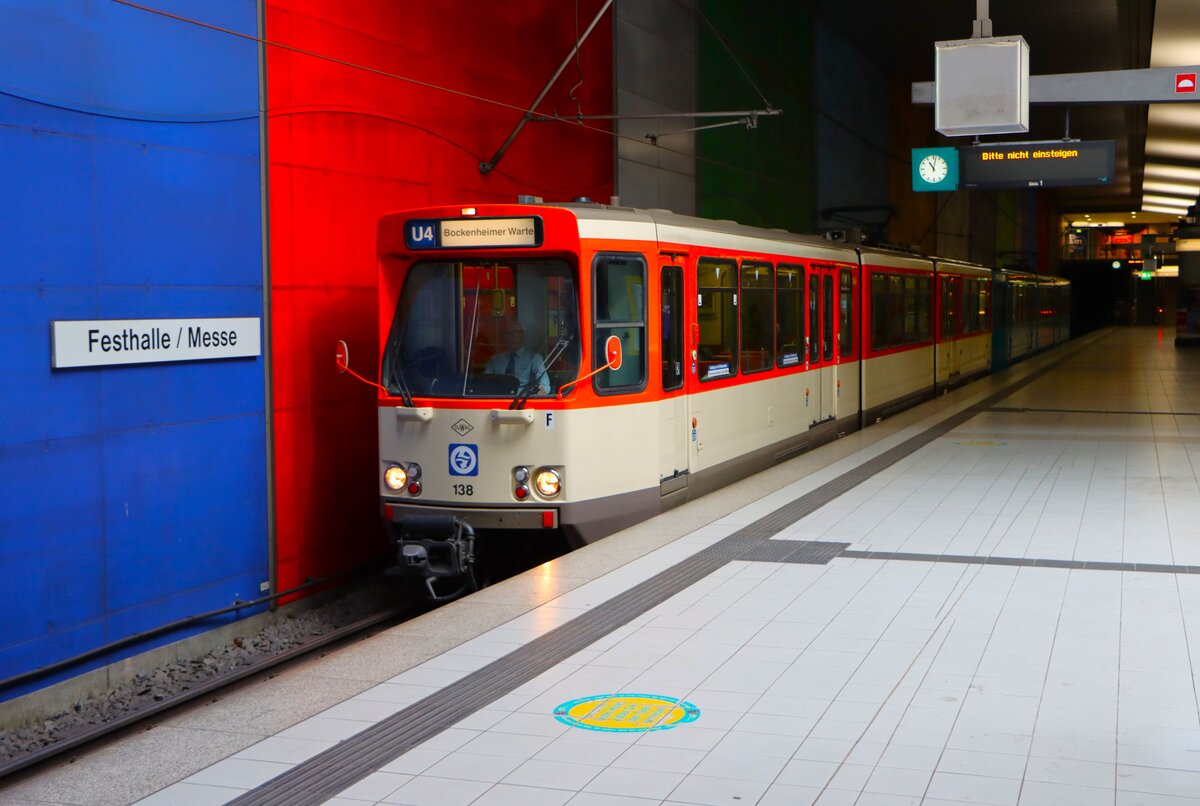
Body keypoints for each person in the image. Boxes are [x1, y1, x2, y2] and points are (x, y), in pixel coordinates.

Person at [485, 320, 549, 394]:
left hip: (523, 400)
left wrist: (543, 390)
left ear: (523, 336)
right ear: (505, 337)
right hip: (499, 399)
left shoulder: (534, 358)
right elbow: (485, 382)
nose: (513, 337)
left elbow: (544, 383)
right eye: (509, 334)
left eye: (517, 333)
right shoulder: (496, 360)